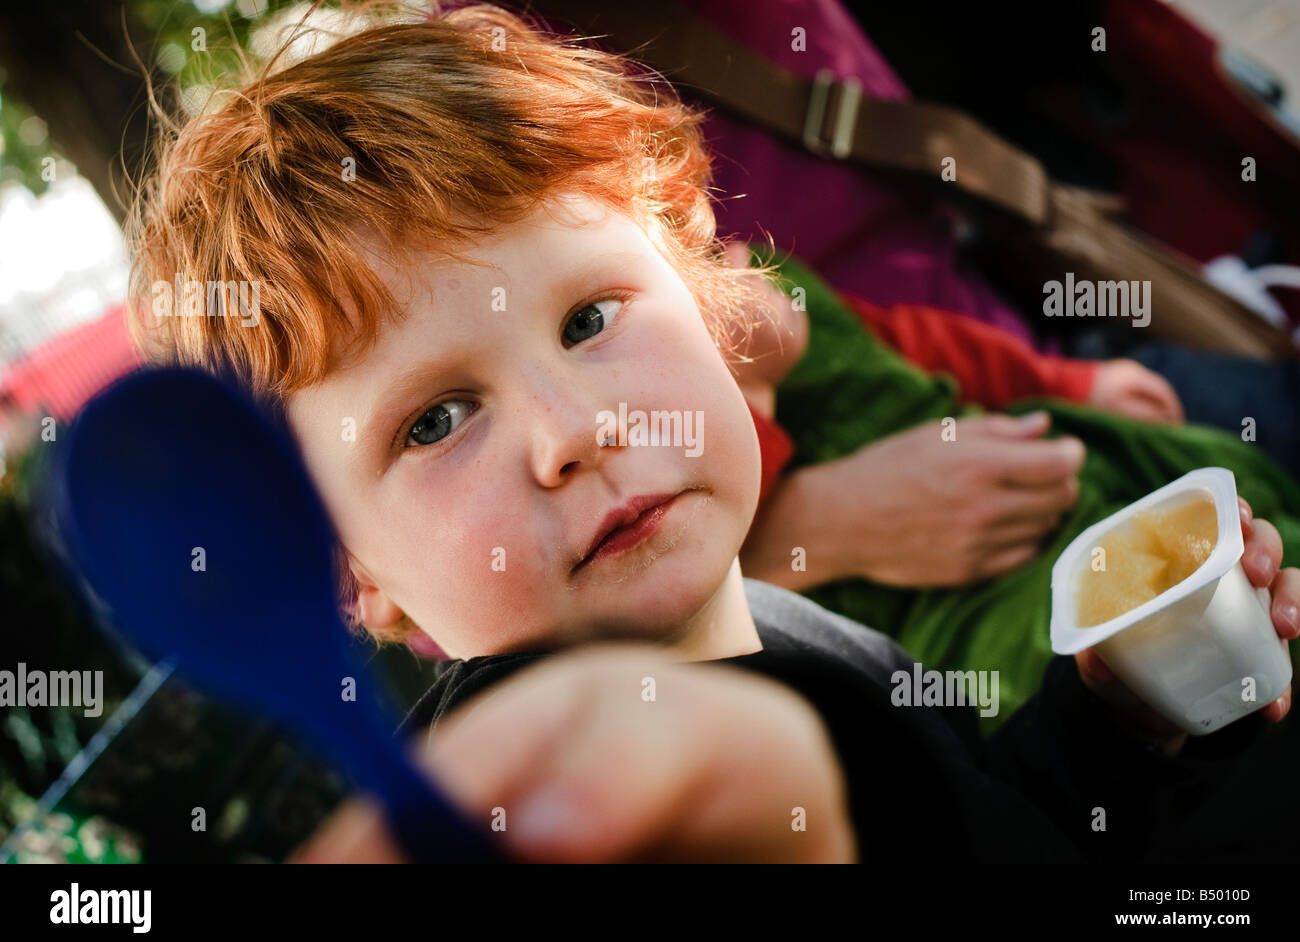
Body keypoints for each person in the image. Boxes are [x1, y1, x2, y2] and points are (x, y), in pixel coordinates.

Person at [126, 2, 1298, 862]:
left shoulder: (807, 636)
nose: (573, 429)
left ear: (700, 289)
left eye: (588, 317)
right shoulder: (540, 797)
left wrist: (1118, 721)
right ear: (342, 566)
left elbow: (1002, 818)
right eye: (433, 420)